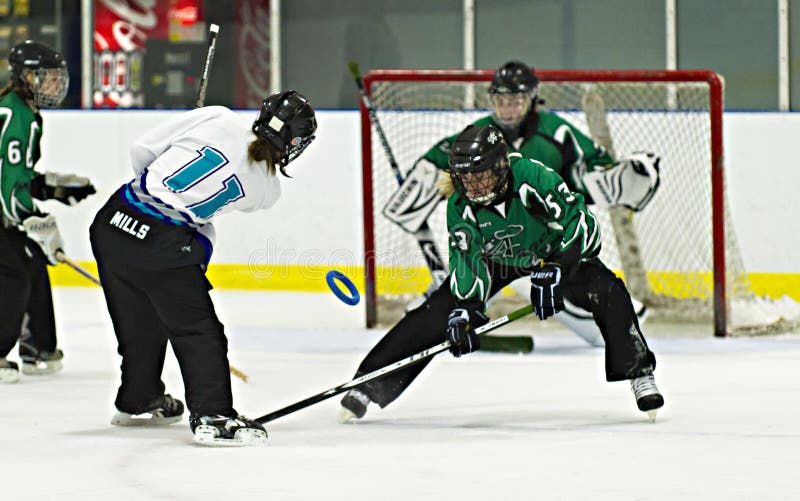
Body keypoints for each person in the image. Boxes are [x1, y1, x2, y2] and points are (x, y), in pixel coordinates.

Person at [340, 125, 663, 423]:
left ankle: (639, 372)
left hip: (552, 254)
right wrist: (466, 310)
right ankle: (370, 383)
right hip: (499, 261)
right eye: (466, 178)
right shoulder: (460, 205)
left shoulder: (532, 176)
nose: (473, 186)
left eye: (480, 176)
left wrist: (559, 269)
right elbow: (467, 260)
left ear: (501, 166)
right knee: (437, 311)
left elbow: (580, 221)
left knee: (607, 290)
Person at [89, 90, 317, 446]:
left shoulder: (218, 117)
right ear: (296, 144)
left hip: (112, 222)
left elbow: (141, 150)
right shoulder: (266, 189)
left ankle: (138, 397)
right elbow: (204, 220)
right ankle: (214, 414)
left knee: (139, 323)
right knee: (199, 331)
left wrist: (154, 191)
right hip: (162, 246)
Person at [383, 61, 660, 346]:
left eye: (515, 101)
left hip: (549, 247)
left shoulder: (556, 132)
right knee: (462, 291)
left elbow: (596, 170)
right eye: (500, 101)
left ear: (532, 99)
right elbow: (439, 159)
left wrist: (619, 177)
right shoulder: (479, 135)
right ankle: (440, 316)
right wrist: (421, 179)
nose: (507, 110)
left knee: (604, 326)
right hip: (497, 248)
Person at [0, 40, 96, 383]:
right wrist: (29, 219)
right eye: (48, 77)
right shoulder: (16, 115)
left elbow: (20, 176)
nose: (56, 85)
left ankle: (37, 346)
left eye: (58, 78)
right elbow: (7, 183)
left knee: (34, 263)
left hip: (3, 210)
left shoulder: (24, 110)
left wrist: (53, 188)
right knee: (14, 276)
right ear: (27, 77)